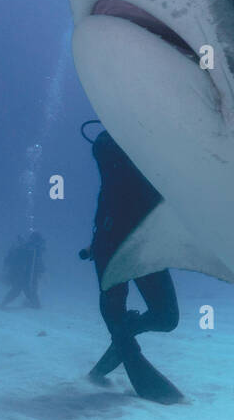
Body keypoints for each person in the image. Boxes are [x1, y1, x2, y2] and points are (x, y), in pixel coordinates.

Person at [79, 122, 184, 404]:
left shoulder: (157, 148)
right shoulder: (108, 142)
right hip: (111, 244)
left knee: (166, 318)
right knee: (116, 309)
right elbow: (114, 188)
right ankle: (124, 345)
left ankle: (120, 340)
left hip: (146, 245)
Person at [0, 231, 45, 309]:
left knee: (23, 290)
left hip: (27, 274)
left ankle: (4, 303)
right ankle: (35, 305)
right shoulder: (29, 248)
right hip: (24, 274)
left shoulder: (33, 249)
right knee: (21, 289)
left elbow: (37, 263)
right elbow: (32, 262)